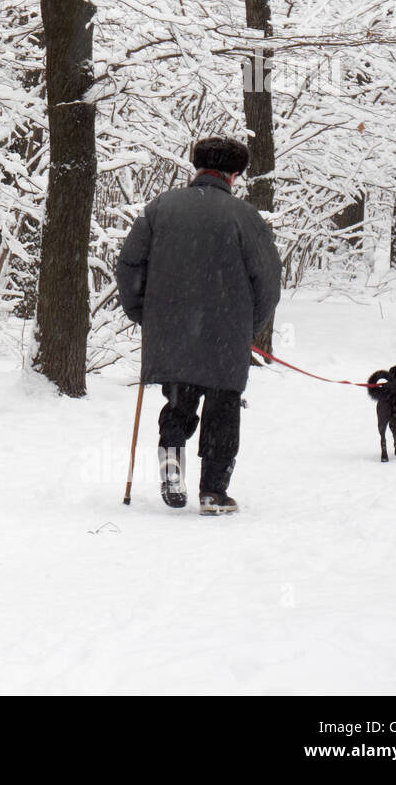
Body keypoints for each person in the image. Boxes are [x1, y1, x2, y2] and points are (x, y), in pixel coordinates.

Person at [114, 137, 281, 515]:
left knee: (178, 403)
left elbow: (129, 266)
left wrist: (143, 313)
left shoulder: (159, 208)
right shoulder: (244, 216)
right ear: (233, 175)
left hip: (172, 328)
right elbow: (268, 281)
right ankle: (213, 493)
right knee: (223, 409)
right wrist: (248, 327)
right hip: (226, 334)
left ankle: (172, 471)